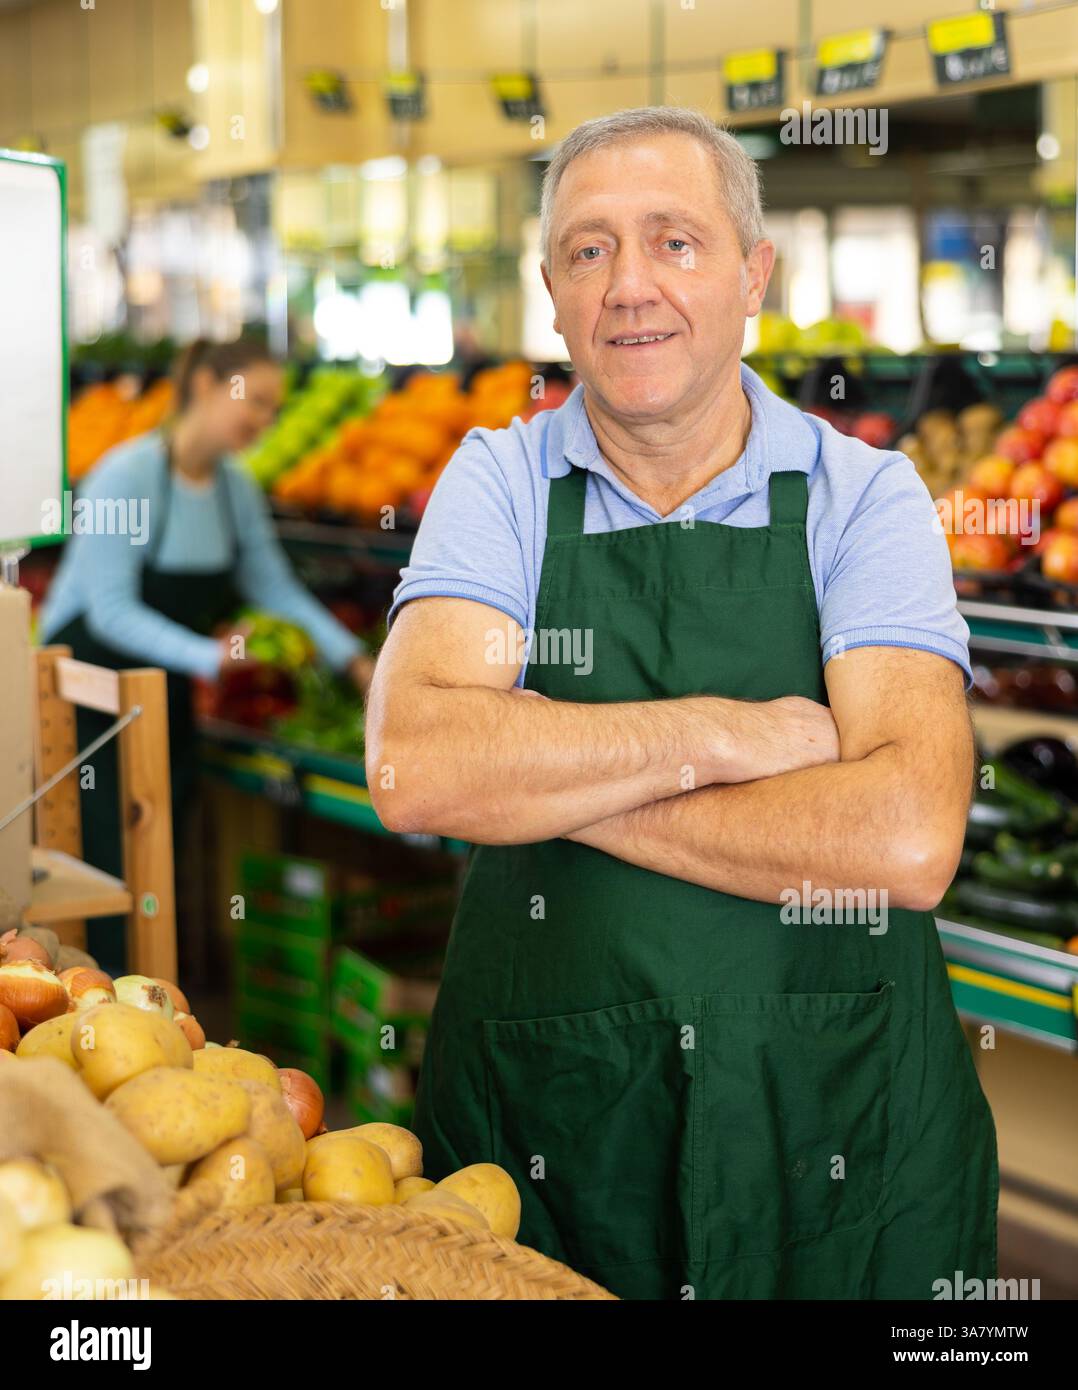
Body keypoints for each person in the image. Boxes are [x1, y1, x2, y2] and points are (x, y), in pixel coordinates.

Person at [366, 107, 998, 1300]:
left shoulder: (865, 498)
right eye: (589, 249)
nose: (630, 287)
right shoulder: (495, 481)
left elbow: (907, 838)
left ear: (753, 272)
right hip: (552, 1128)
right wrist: (733, 736)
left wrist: (555, 787)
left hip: (841, 1120)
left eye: (675, 241)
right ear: (551, 288)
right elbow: (418, 770)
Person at [40, 336, 372, 971]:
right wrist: (211, 657)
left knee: (162, 859)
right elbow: (108, 609)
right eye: (257, 400)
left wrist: (352, 659)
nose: (265, 419)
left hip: (161, 695)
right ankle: (95, 1001)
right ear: (204, 387)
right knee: (105, 861)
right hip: (82, 700)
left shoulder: (234, 489)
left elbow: (274, 588)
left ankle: (160, 1006)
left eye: (276, 408)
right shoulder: (124, 475)